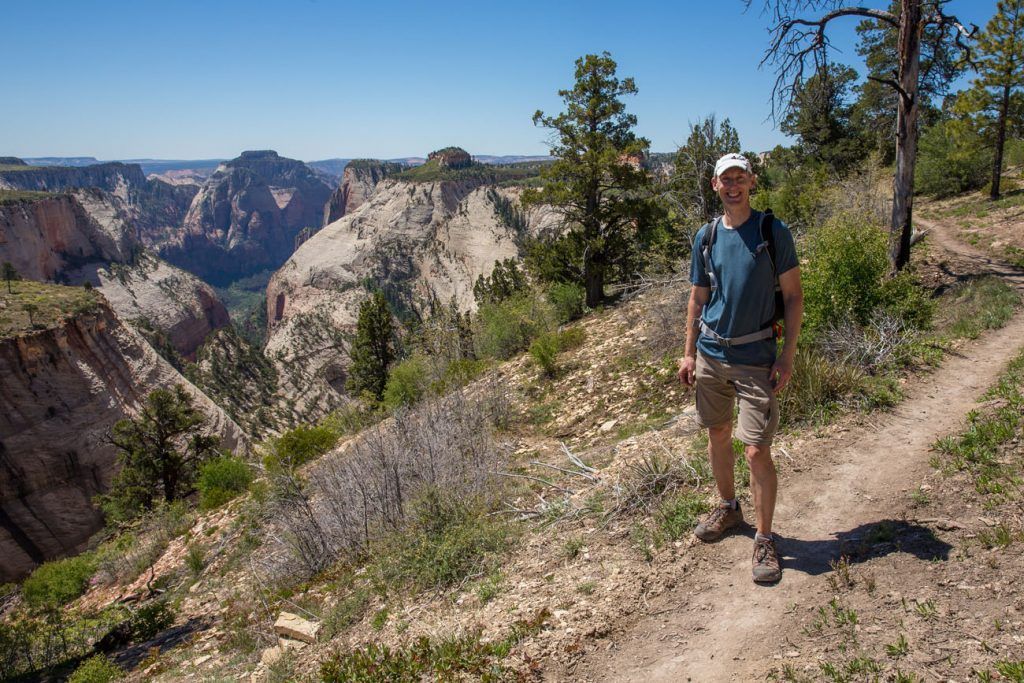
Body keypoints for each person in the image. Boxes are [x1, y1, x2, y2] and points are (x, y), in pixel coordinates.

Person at [676, 152, 803, 584]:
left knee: (756, 449)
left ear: (751, 181)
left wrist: (786, 356)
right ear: (714, 185)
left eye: (739, 178)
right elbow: (698, 297)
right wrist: (689, 352)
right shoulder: (707, 235)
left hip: (755, 357)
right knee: (717, 433)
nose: (732, 185)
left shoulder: (772, 231)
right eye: (724, 179)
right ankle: (729, 508)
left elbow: (793, 297)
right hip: (711, 353)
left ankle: (764, 538)